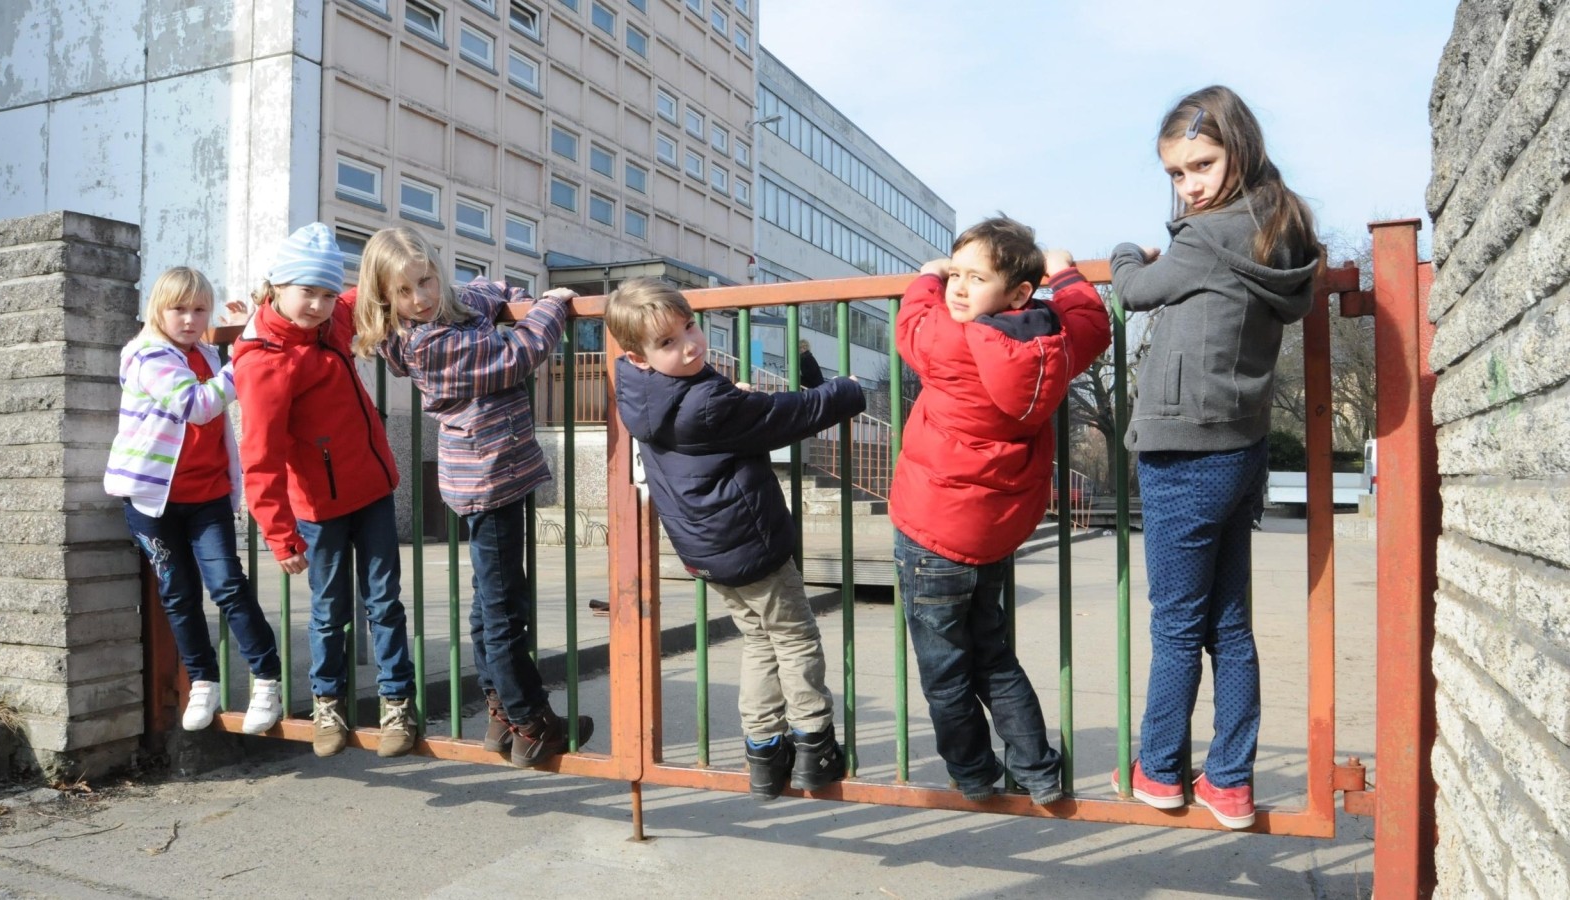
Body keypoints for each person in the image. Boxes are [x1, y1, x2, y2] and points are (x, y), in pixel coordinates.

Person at [1109, 85, 1320, 830]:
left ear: (1241, 149)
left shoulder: (1204, 239)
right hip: (1240, 450)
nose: (1189, 185)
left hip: (1181, 450)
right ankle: (1228, 780)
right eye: (1176, 173)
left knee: (1175, 624)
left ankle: (1159, 770)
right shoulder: (1276, 229)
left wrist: (1125, 252)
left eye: (1201, 165)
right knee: (1227, 624)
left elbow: (1134, 290)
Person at [607, 276, 865, 801]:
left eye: (690, 327)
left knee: (759, 639)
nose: (689, 345)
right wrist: (846, 391)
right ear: (638, 356)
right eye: (668, 342)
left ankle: (764, 753)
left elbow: (717, 420)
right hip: (750, 545)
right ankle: (815, 744)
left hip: (705, 550)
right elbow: (786, 416)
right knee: (793, 637)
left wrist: (731, 398)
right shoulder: (704, 402)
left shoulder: (639, 391)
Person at [347, 226, 592, 767]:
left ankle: (501, 714)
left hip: (493, 471)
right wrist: (550, 304)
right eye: (404, 292)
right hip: (489, 477)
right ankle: (531, 722)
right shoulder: (428, 343)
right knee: (503, 609)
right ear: (384, 298)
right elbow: (519, 352)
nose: (421, 298)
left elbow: (483, 291)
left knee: (491, 602)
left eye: (427, 281)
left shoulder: (446, 314)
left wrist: (512, 296)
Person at [890, 216, 1110, 806]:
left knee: (944, 669)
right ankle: (1037, 769)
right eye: (955, 275)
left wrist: (926, 277)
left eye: (974, 277)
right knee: (991, 651)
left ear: (1016, 293)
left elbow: (910, 324)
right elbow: (1092, 325)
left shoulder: (947, 339)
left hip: (930, 531)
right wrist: (1066, 274)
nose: (958, 288)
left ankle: (971, 772)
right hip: (991, 535)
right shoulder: (1052, 343)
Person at [232, 223, 418, 759]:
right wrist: (280, 535)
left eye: (327, 293)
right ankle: (327, 705)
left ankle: (397, 704)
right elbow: (260, 457)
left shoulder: (332, 319)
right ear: (276, 287)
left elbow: (370, 291)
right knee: (329, 610)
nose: (318, 305)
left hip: (372, 489)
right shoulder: (264, 362)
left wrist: (424, 282)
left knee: (385, 602)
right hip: (319, 507)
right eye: (306, 292)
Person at [106, 267, 283, 735]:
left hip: (208, 496)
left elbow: (226, 374)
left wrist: (244, 329)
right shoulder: (148, 356)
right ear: (157, 310)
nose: (189, 319)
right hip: (152, 501)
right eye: (178, 309)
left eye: (200, 309)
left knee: (228, 586)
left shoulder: (204, 352)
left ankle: (267, 679)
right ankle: (203, 681)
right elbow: (199, 405)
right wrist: (245, 349)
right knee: (179, 595)